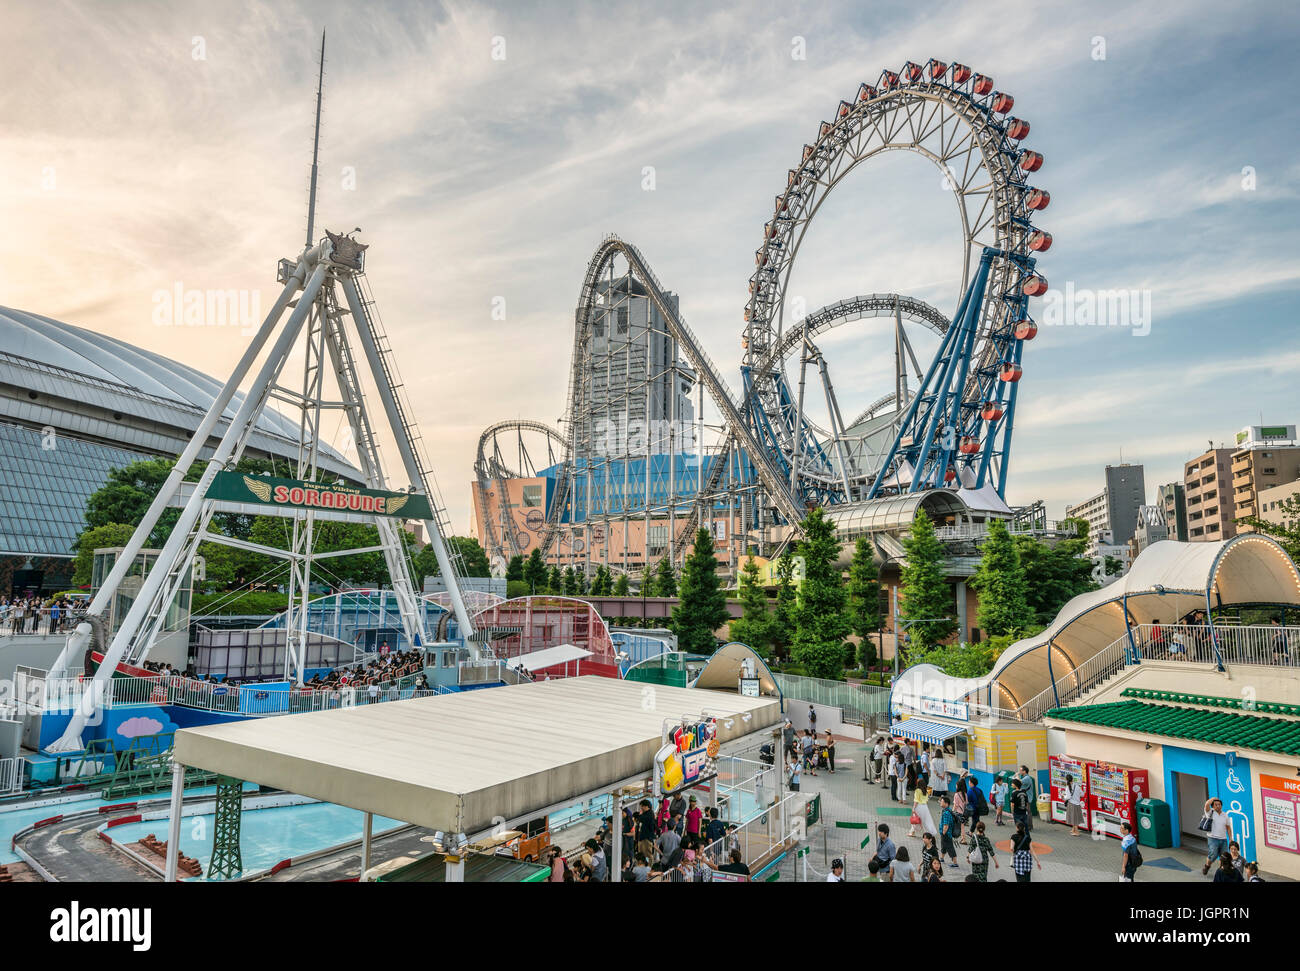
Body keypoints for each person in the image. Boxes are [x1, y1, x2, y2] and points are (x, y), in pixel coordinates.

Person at [1201, 797, 1233, 876]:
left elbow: (1228, 827)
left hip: (1223, 839)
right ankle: (1207, 866)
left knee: (1224, 857)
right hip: (1212, 838)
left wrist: (1230, 839)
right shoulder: (1210, 812)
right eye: (1216, 805)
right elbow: (1206, 804)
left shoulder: (1225, 815)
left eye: (1219, 804)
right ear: (1213, 806)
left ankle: (1221, 872)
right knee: (1213, 855)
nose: (1218, 806)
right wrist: (1213, 799)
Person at [938, 794, 960, 868]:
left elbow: (946, 825)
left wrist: (943, 833)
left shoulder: (946, 813)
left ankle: (955, 863)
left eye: (942, 801)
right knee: (944, 846)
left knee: (950, 847)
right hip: (946, 833)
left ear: (946, 803)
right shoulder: (948, 810)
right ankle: (942, 858)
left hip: (946, 833)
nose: (940, 802)